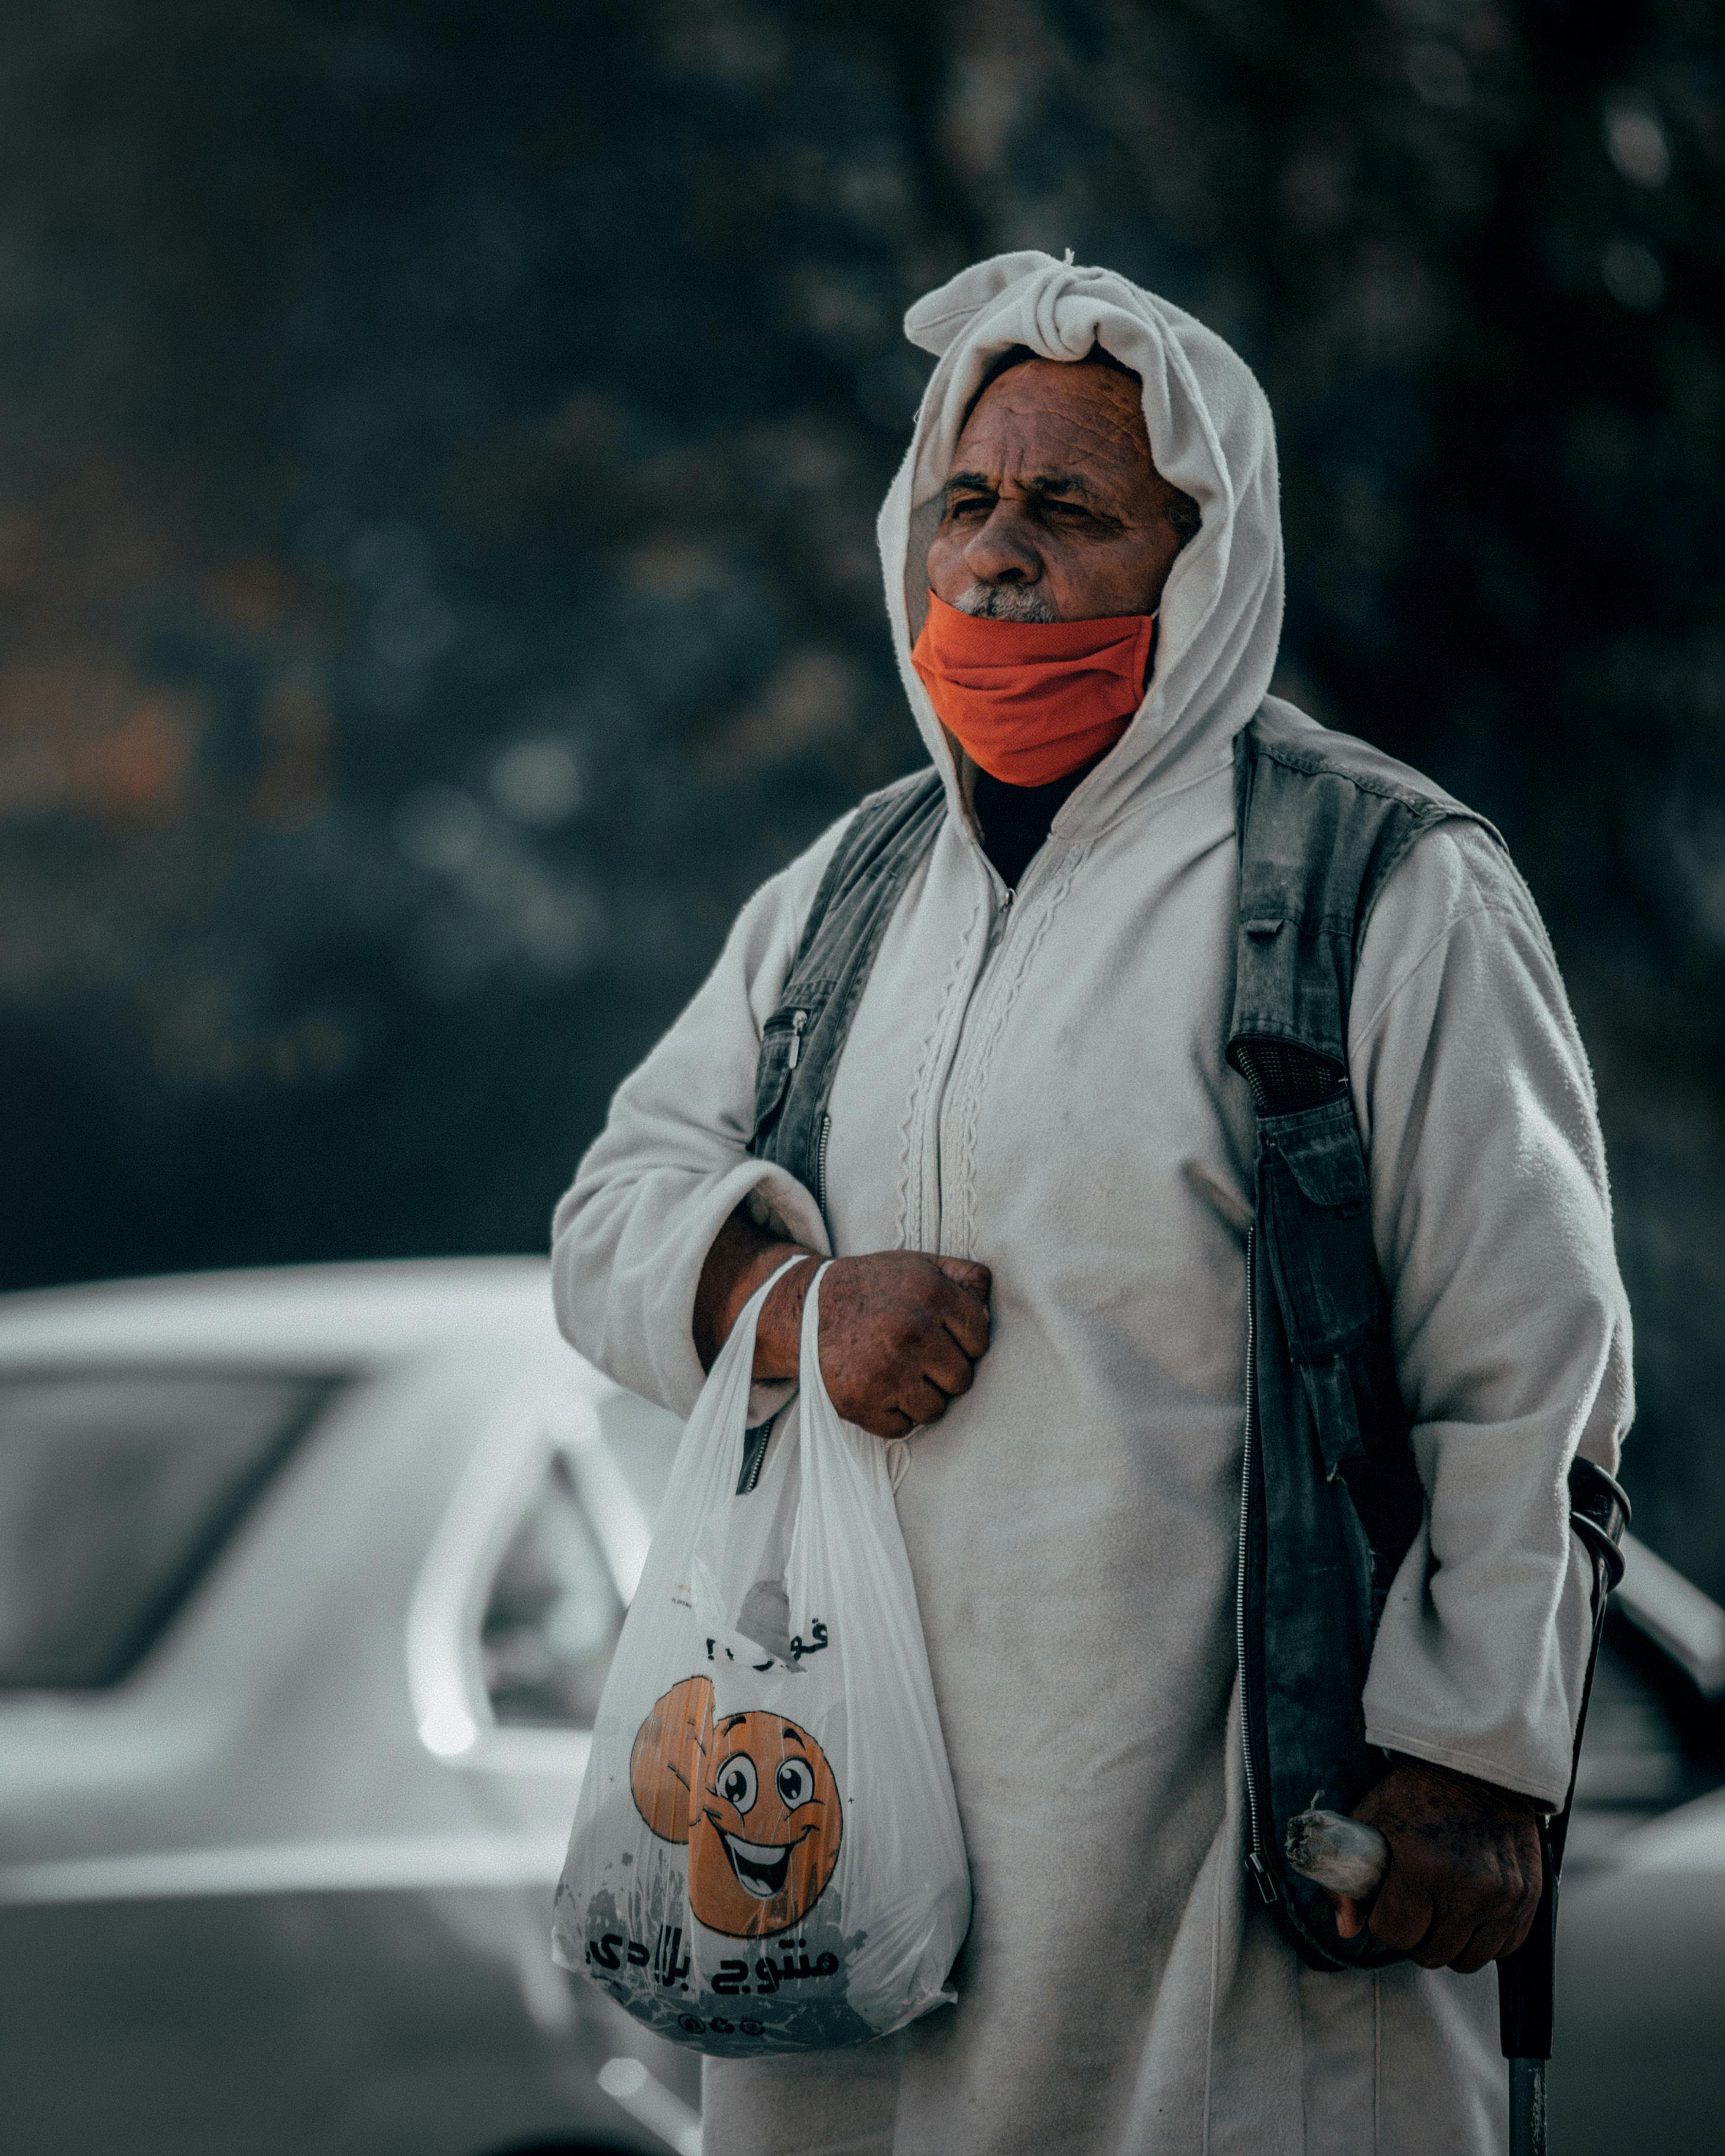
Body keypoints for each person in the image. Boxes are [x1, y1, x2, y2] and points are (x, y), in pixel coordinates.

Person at [551, 252, 1632, 2155]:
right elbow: (610, 1217)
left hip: (1230, 1904)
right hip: (848, 1878)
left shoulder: (1387, 885)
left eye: (1070, 509)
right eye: (965, 502)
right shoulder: (846, 890)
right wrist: (792, 1304)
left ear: (1200, 559)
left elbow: (1526, 1373)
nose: (996, 553)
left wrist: (1475, 1757)